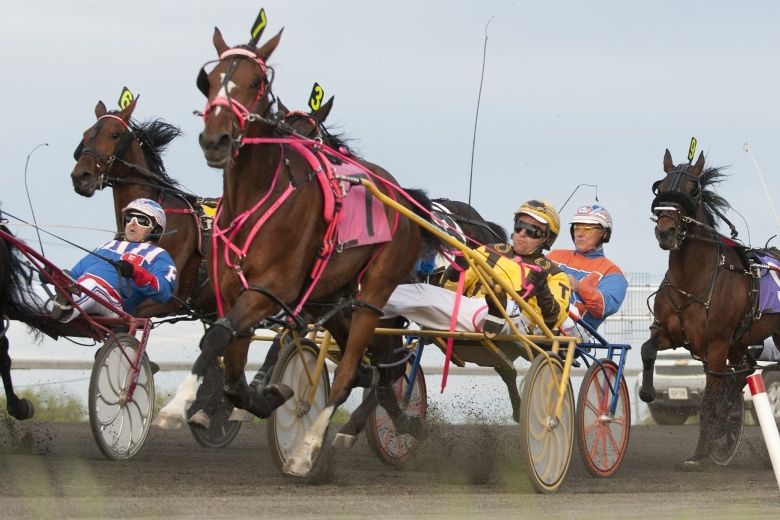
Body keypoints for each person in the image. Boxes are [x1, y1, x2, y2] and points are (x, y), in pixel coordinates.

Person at [383, 199, 571, 336]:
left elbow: (553, 321)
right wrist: (457, 270)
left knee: (494, 308)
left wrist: (543, 290)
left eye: (532, 231)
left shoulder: (554, 274)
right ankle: (364, 304)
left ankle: (497, 311)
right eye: (519, 226)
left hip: (516, 323)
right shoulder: (488, 251)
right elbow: (452, 291)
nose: (522, 234)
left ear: (546, 238)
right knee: (411, 292)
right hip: (469, 309)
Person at [51, 198, 177, 322]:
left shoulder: (159, 255)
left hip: (114, 305)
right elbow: (73, 277)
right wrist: (52, 276)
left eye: (141, 220)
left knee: (91, 284)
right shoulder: (107, 245)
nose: (132, 223)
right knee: (35, 287)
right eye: (129, 218)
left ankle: (67, 307)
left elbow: (164, 292)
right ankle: (53, 302)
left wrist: (135, 272)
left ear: (155, 229)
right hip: (81, 291)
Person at [548, 204, 627, 332]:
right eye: (577, 228)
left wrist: (578, 286)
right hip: (536, 318)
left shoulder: (612, 272)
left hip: (573, 334)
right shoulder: (555, 255)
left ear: (604, 234)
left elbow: (604, 307)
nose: (580, 234)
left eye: (588, 229)